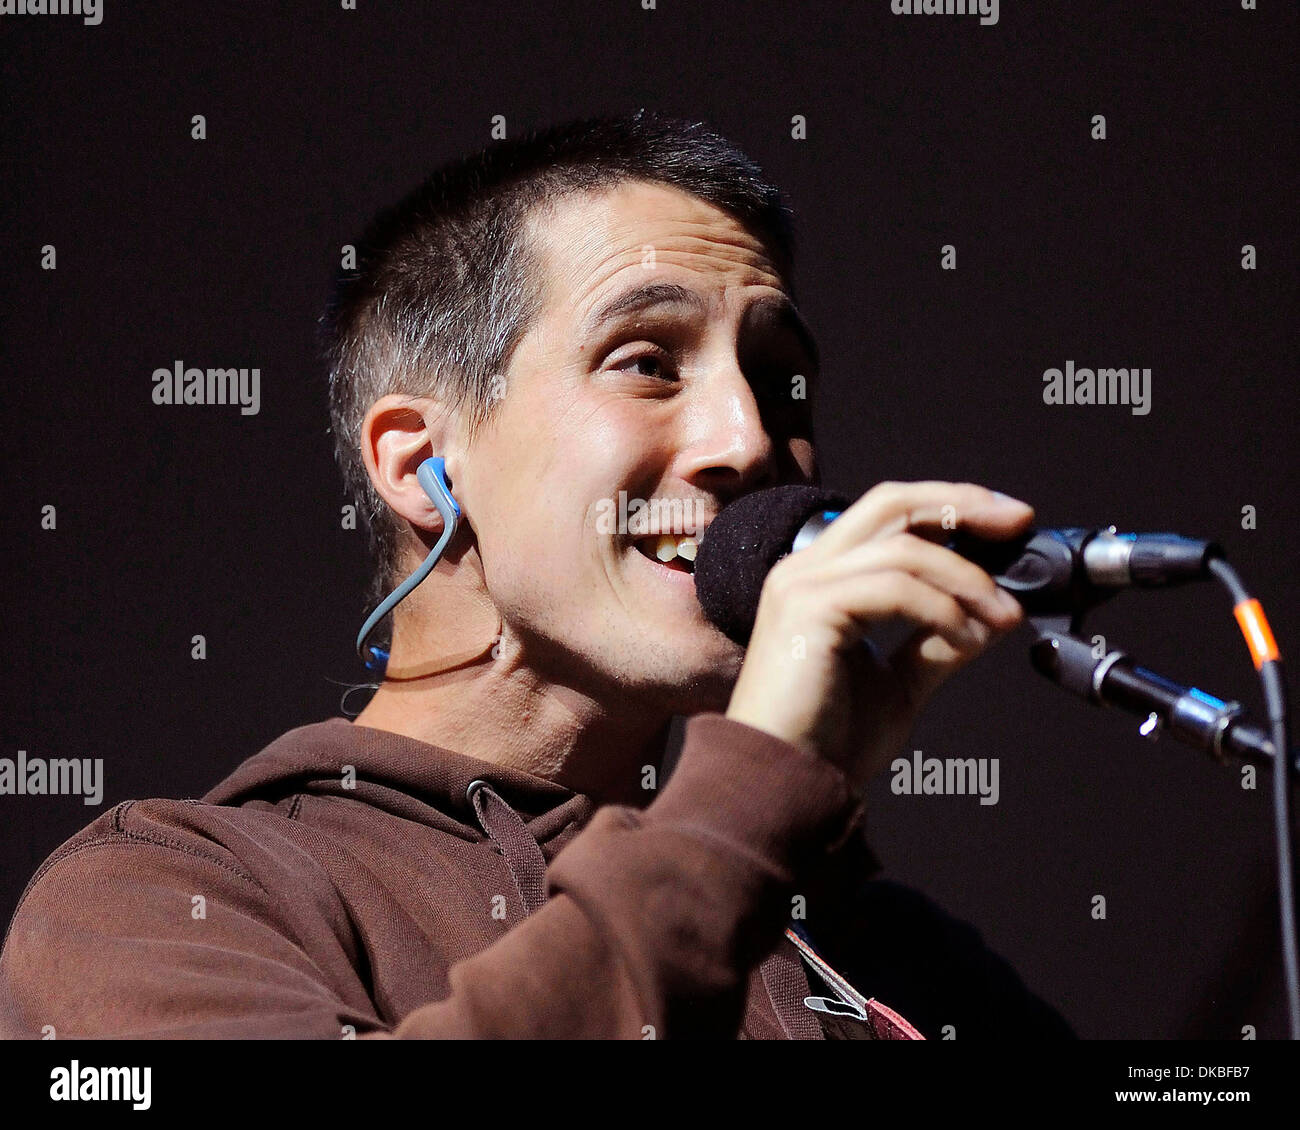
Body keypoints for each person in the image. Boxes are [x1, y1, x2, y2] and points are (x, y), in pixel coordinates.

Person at [0, 110, 1073, 1039]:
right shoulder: (165, 892)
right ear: (423, 465)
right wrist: (751, 790)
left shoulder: (869, 940)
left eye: (779, 378)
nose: (748, 438)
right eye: (646, 360)